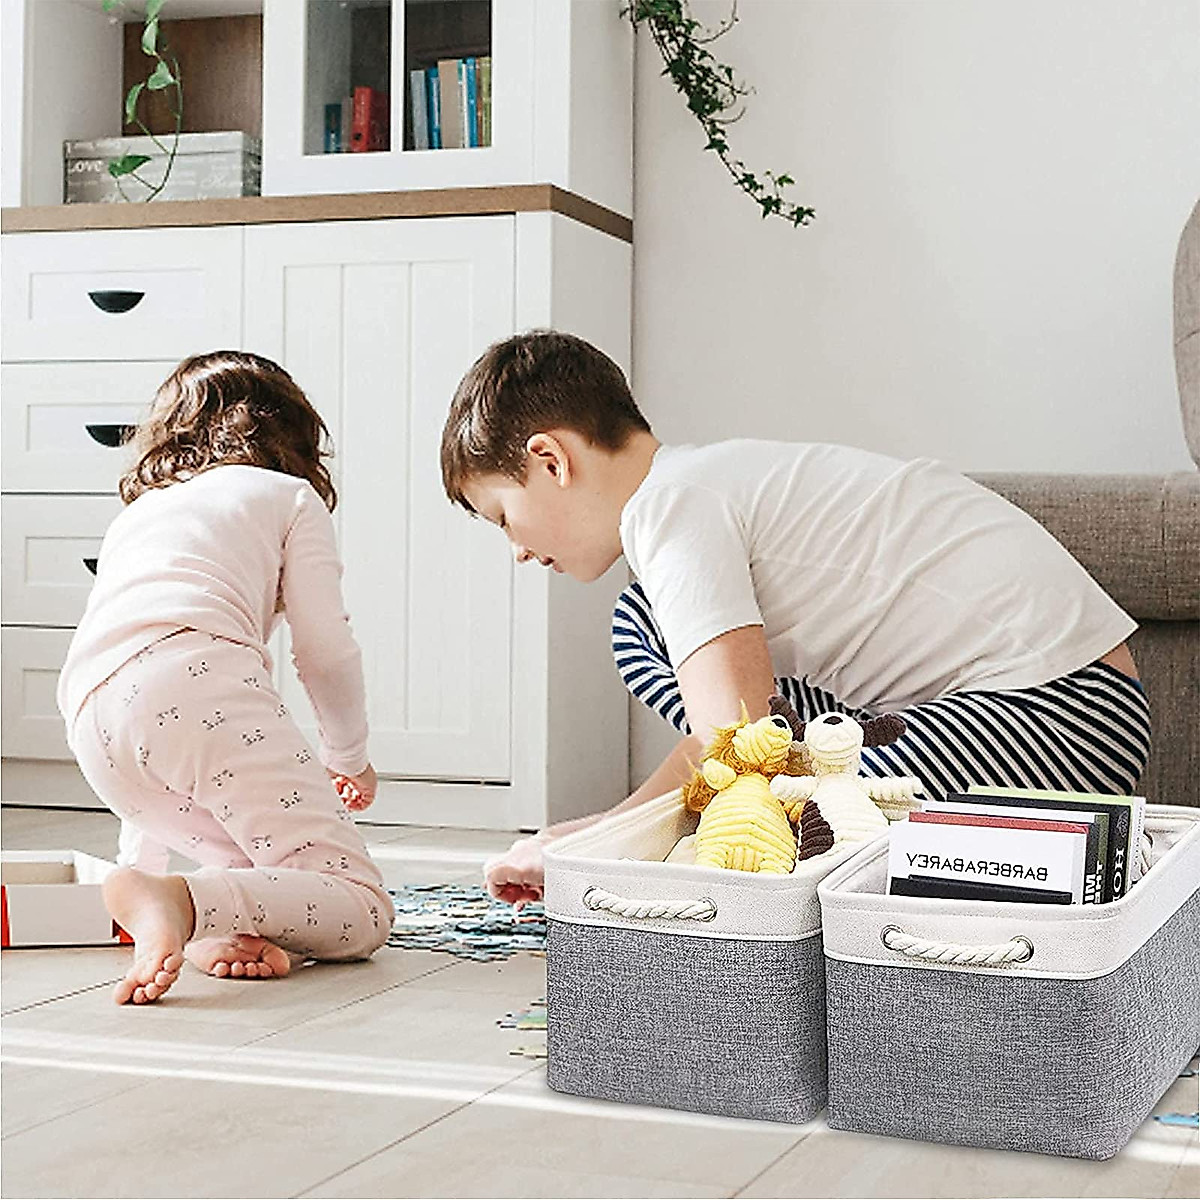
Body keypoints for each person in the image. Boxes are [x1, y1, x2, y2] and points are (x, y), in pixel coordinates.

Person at [439, 330, 1151, 906]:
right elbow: (749, 731)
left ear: (550, 460)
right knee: (652, 630)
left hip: (1055, 712)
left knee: (764, 822)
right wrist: (603, 830)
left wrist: (601, 843)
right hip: (1063, 709)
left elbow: (740, 744)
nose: (518, 551)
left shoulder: (671, 507)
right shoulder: (707, 483)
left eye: (504, 516)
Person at [58, 351, 390, 1004]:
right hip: (195, 687)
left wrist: (142, 867)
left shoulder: (139, 514)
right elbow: (325, 652)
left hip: (91, 716)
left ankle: (195, 918)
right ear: (294, 437)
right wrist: (348, 755)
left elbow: (147, 695)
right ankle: (182, 903)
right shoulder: (286, 496)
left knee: (254, 864)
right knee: (361, 907)